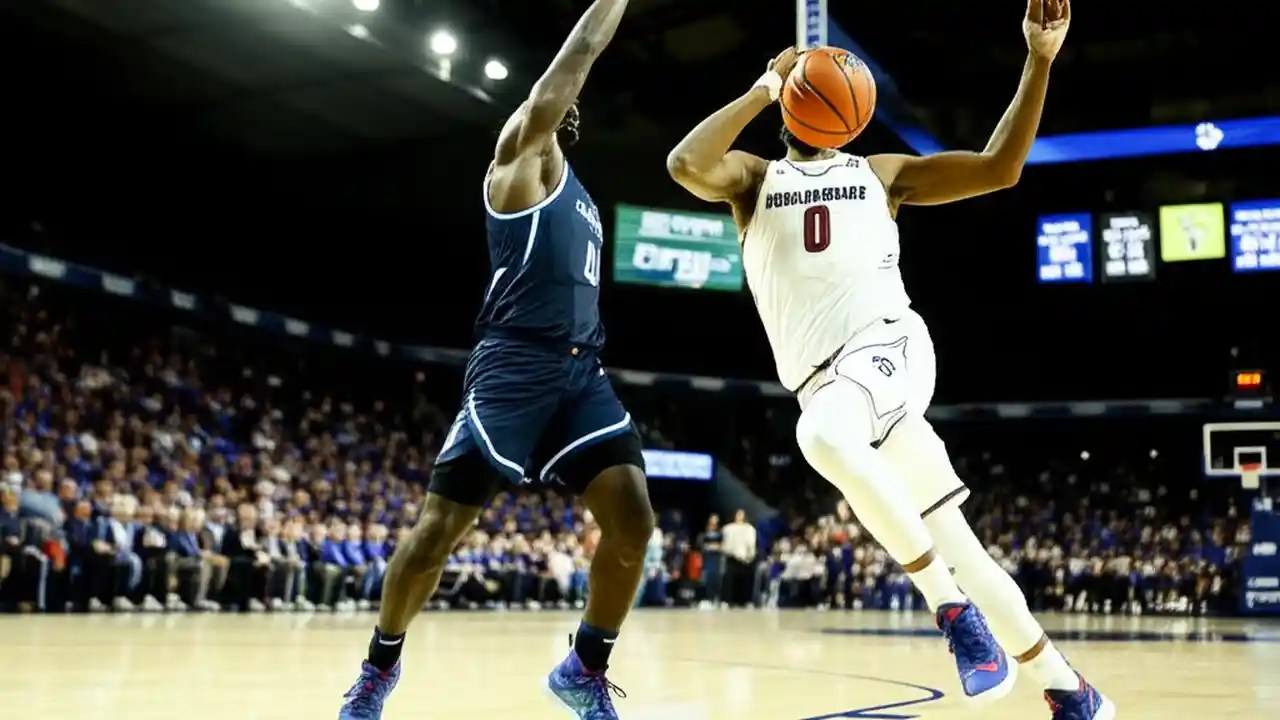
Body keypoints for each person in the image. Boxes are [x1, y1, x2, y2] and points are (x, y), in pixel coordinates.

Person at [666, 2, 1112, 719]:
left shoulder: (884, 173)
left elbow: (1001, 170)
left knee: (819, 438)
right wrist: (761, 88)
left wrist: (1039, 60)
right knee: (961, 546)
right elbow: (685, 163)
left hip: (890, 349)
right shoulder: (752, 180)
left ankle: (953, 617)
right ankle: (1071, 690)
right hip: (832, 388)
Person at [337, 1, 653, 718]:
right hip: (513, 369)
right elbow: (570, 65)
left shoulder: (582, 197)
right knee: (437, 533)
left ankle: (583, 666)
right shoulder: (519, 161)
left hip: (581, 374)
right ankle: (379, 667)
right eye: (554, 97)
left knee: (634, 519)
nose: (564, 104)